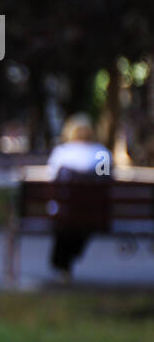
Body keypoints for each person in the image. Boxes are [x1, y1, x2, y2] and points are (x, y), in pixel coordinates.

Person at [46, 113, 113, 282]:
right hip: (95, 213)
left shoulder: (62, 152)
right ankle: (66, 260)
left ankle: (62, 262)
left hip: (66, 213)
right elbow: (104, 181)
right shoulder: (101, 153)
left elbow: (52, 178)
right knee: (81, 221)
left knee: (68, 222)